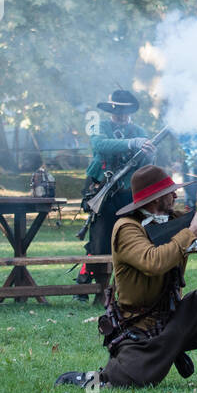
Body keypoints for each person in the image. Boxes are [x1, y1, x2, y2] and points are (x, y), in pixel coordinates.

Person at [56, 166, 197, 389]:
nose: (176, 194)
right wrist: (192, 233)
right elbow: (153, 262)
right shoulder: (127, 228)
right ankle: (90, 379)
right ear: (155, 199)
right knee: (129, 379)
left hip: (176, 315)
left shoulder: (178, 219)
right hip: (140, 327)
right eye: (170, 192)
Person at [78, 89, 155, 302]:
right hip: (101, 190)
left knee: (129, 238)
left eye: (124, 111)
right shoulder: (100, 126)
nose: (120, 116)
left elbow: (145, 168)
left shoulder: (138, 131)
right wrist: (132, 143)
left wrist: (149, 155)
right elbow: (99, 146)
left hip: (127, 193)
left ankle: (120, 289)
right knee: (99, 241)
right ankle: (85, 288)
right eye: (116, 111)